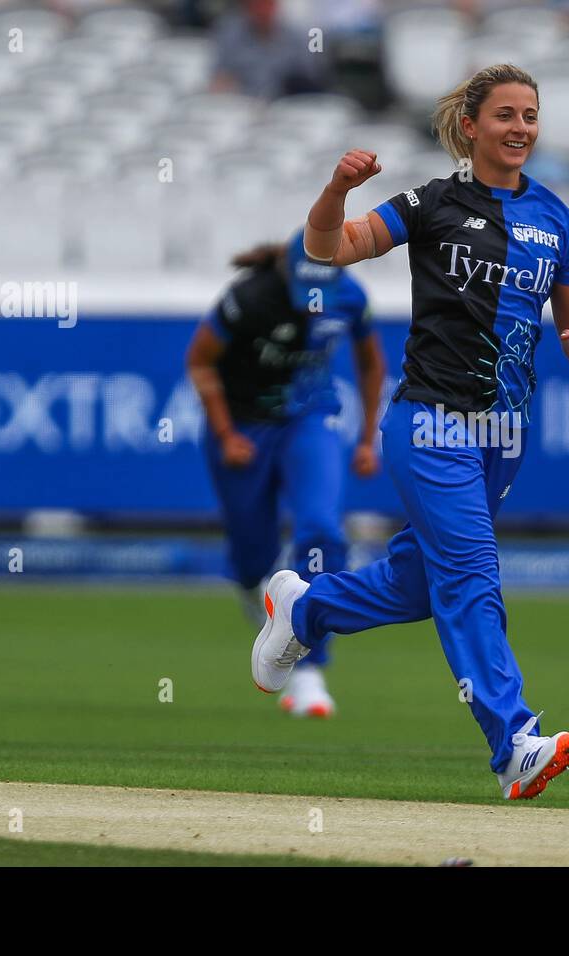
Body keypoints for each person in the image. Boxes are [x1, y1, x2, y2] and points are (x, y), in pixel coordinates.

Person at [251, 63, 569, 801]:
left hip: (504, 436)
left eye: (530, 116)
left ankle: (306, 609)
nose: (521, 129)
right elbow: (331, 248)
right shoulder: (434, 203)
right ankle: (514, 743)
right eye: (505, 115)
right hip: (431, 422)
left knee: (420, 582)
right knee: (473, 576)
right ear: (470, 126)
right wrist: (338, 189)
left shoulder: (557, 219)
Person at [186, 229, 385, 718]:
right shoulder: (249, 297)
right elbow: (200, 361)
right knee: (252, 562)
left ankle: (312, 670)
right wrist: (226, 432)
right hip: (244, 427)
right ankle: (272, 616)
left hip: (309, 418)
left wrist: (365, 438)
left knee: (321, 528)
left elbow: (371, 363)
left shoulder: (351, 296)